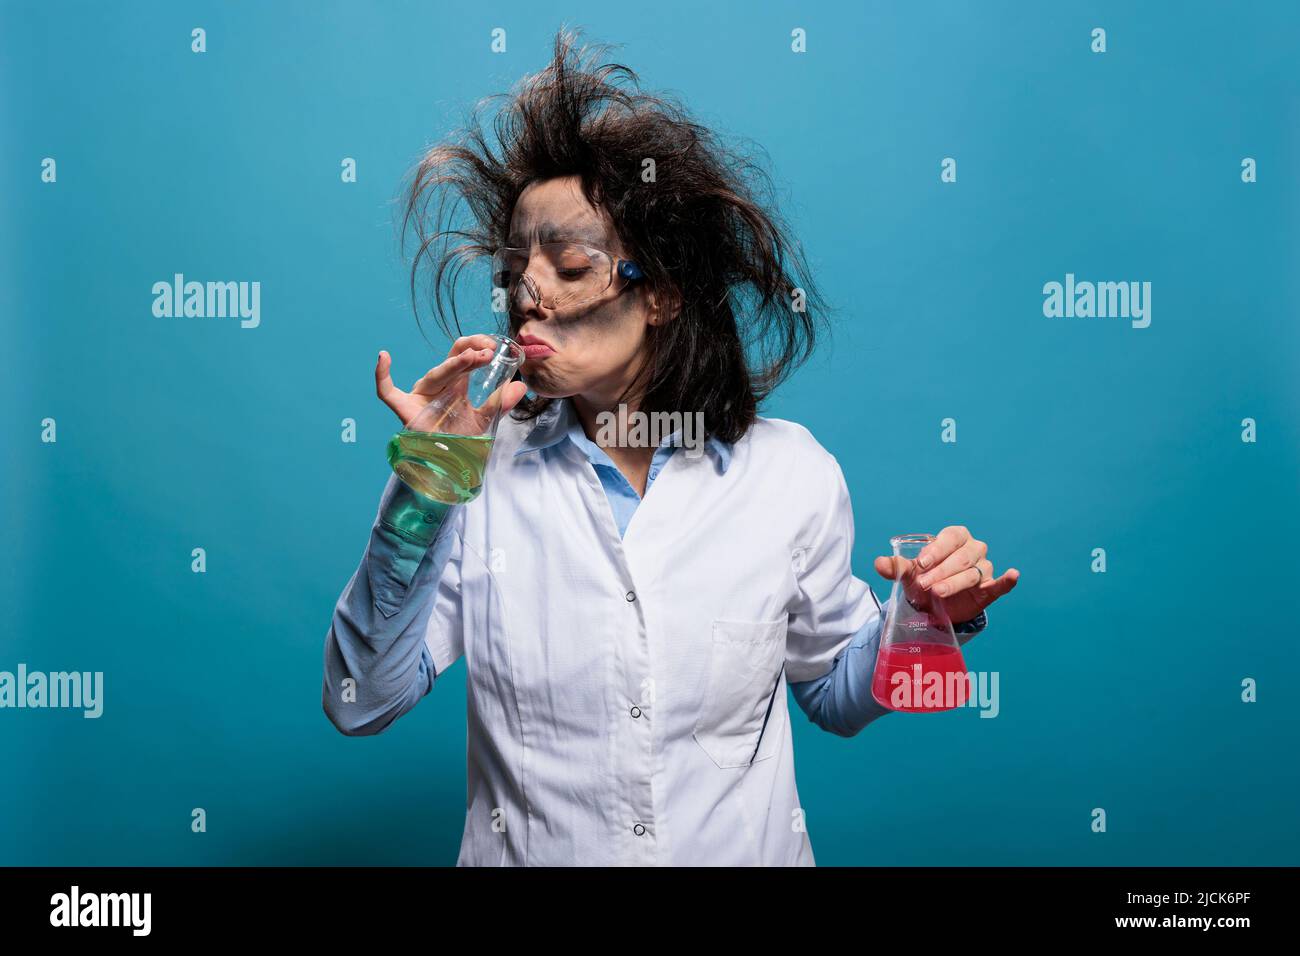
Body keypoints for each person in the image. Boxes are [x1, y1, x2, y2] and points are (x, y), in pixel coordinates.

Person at [322, 29, 1019, 866]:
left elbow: (834, 693)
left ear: (659, 296)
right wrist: (425, 489)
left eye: (570, 265)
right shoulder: (475, 477)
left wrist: (923, 617)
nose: (527, 293)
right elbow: (360, 702)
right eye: (515, 271)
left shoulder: (791, 475)